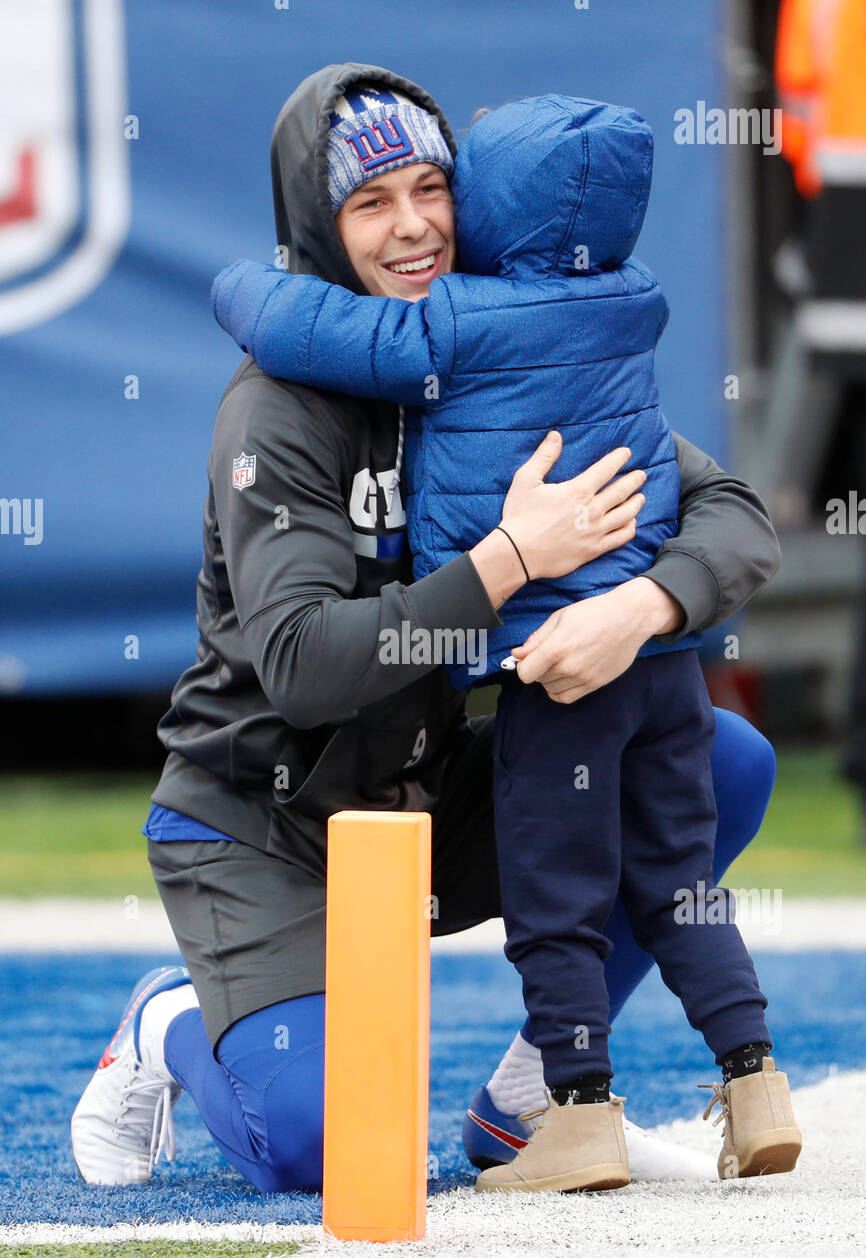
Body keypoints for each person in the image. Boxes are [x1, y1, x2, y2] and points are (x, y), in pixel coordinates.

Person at [70, 64, 781, 1195]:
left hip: (425, 797)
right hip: (271, 826)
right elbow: (300, 667)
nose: (411, 227)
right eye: (369, 202)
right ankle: (165, 1024)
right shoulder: (280, 405)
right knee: (329, 1149)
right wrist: (507, 562)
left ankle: (536, 1094)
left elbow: (734, 516)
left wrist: (635, 609)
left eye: (427, 188)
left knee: (716, 753)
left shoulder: (497, 339)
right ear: (318, 226)